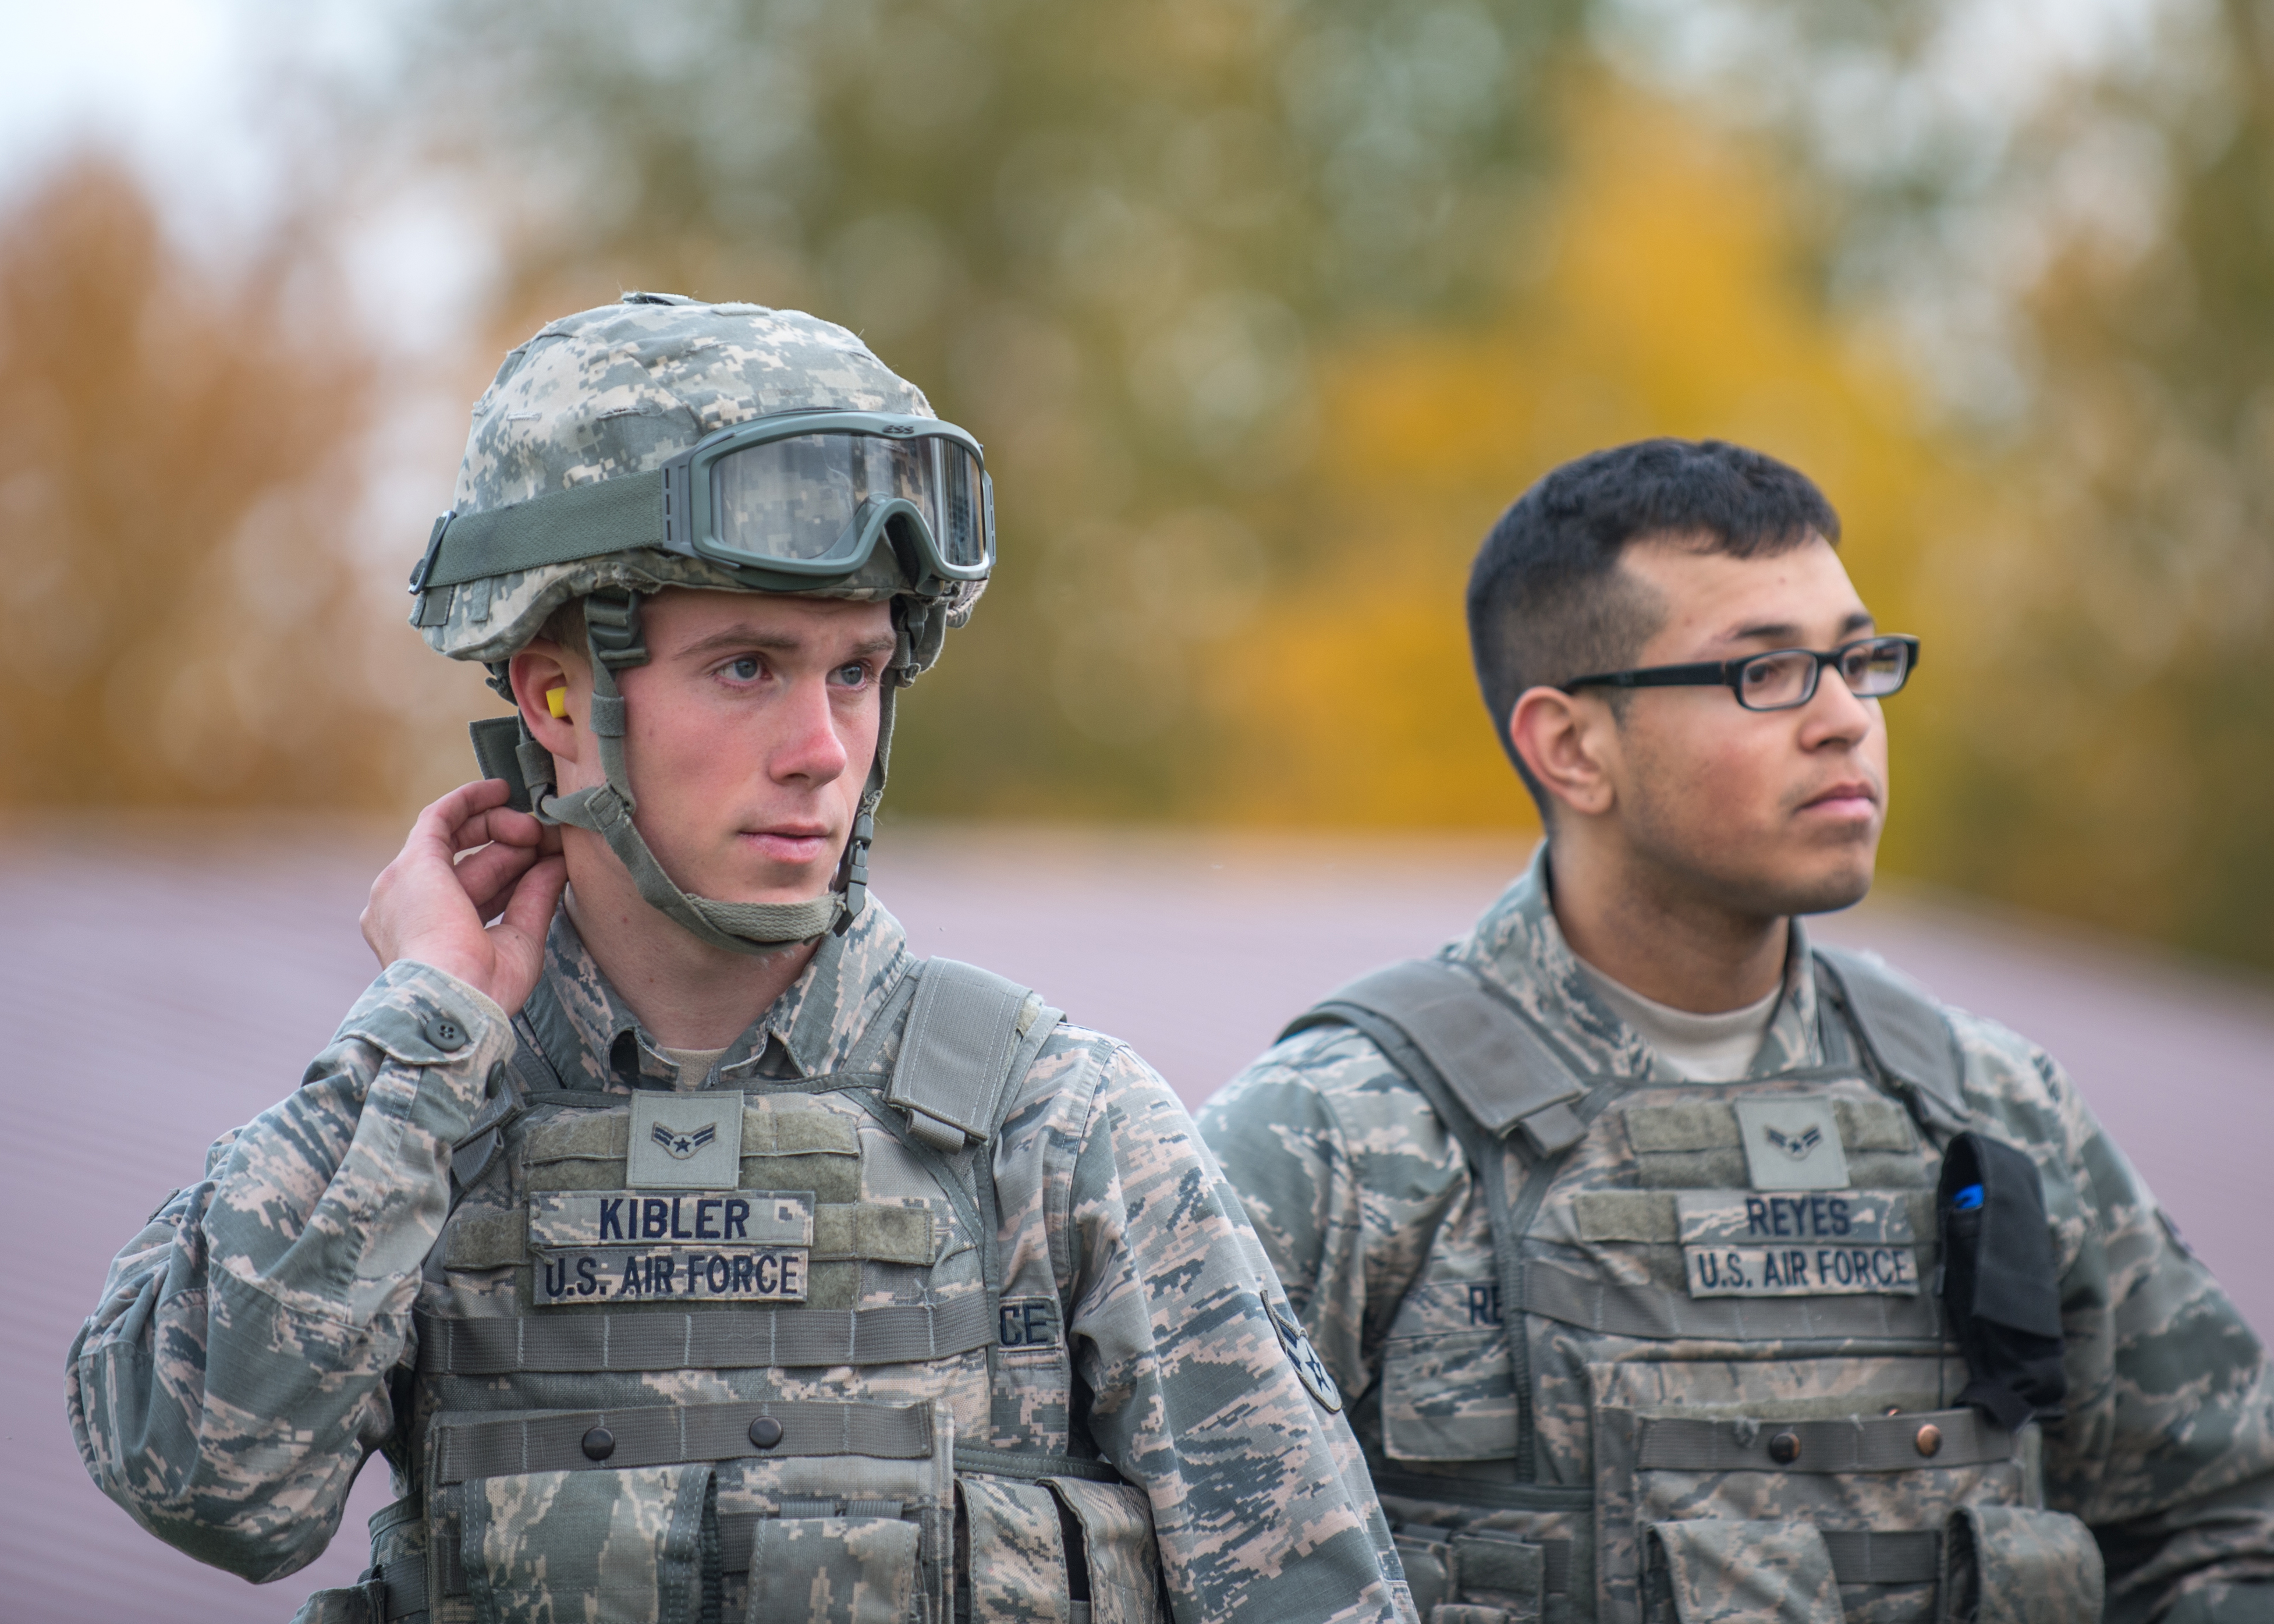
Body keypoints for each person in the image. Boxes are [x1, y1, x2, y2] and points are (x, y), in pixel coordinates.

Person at [69, 294, 1413, 1624]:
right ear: (556, 696)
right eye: (746, 668)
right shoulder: (424, 1116)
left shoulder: (1060, 1134)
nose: (822, 750)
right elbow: (206, 1487)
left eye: (856, 672)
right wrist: (422, 1033)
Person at [1198, 438, 2274, 1624]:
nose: (1844, 720)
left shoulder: (1989, 1111)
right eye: (1765, 673)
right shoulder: (1345, 1133)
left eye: (1858, 662)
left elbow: (2226, 1527)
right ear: (1570, 747)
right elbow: (1153, 1558)